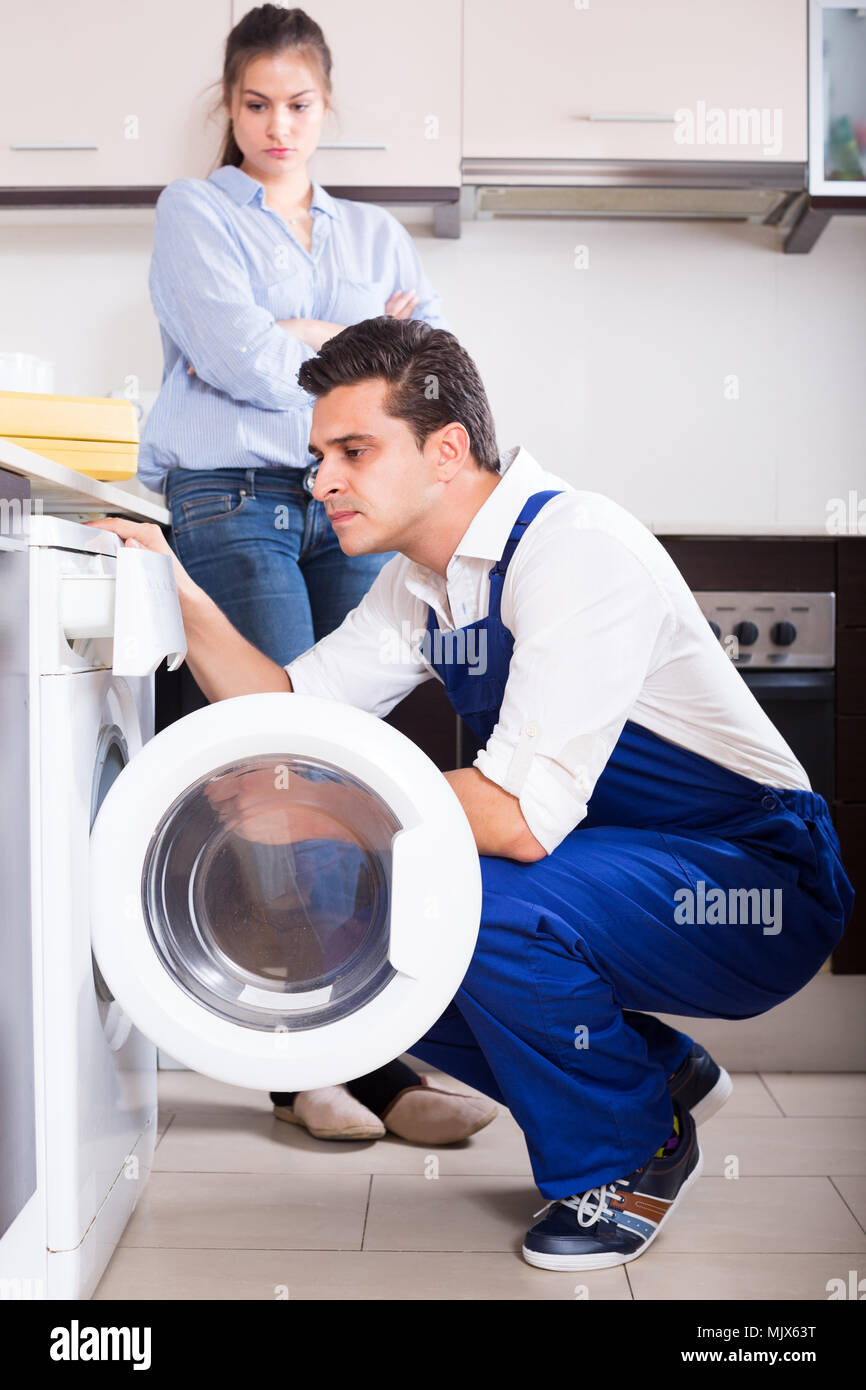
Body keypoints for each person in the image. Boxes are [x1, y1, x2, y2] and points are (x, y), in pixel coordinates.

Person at [90, 316, 855, 1273]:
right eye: (320, 455)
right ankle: (649, 1074)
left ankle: (631, 1156)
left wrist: (347, 811)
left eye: (353, 451)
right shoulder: (422, 583)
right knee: (351, 895)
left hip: (755, 877)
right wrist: (179, 587)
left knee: (452, 897)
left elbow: (518, 821)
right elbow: (290, 711)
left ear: (446, 449)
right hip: (614, 863)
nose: (321, 480)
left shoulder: (576, 549)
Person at [136, 4, 491, 1145]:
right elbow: (240, 354)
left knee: (354, 765)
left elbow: (422, 374)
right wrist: (350, 344)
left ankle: (372, 1048)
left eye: (297, 104)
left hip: (350, 509)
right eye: (253, 105)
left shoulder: (378, 231)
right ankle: (300, 1064)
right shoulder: (193, 211)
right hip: (228, 499)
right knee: (273, 764)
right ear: (227, 107)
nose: (275, 126)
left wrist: (304, 330)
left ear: (325, 107)